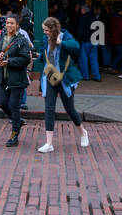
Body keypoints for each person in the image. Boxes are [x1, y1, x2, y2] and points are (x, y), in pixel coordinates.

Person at [37, 17, 89, 153]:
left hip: (64, 78)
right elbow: (44, 55)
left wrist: (61, 43)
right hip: (49, 77)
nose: (45, 33)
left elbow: (76, 46)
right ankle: (49, 143)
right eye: (44, 30)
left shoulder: (65, 36)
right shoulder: (45, 39)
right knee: (49, 108)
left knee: (70, 109)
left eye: (47, 30)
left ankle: (83, 132)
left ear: (53, 29)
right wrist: (36, 56)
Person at [0, 14, 32, 148]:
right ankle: (17, 120)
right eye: (7, 23)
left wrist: (8, 61)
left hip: (17, 78)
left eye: (11, 23)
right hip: (3, 77)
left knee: (13, 105)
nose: (9, 25)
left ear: (17, 25)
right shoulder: (0, 37)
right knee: (2, 103)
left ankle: (14, 133)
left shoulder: (22, 40)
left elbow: (25, 59)